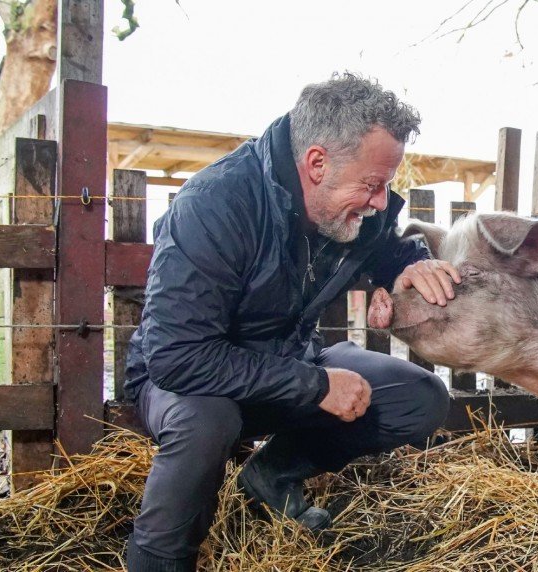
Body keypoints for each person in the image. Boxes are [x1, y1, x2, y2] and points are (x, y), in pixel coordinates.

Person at [121, 72, 459, 572]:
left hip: (288, 364)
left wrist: (409, 268)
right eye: (373, 185)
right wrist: (315, 385)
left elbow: (387, 248)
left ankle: (272, 476)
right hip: (190, 382)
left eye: (387, 185)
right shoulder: (215, 205)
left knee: (420, 396)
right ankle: (157, 560)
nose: (380, 201)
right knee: (207, 420)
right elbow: (178, 358)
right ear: (317, 163)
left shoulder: (350, 205)